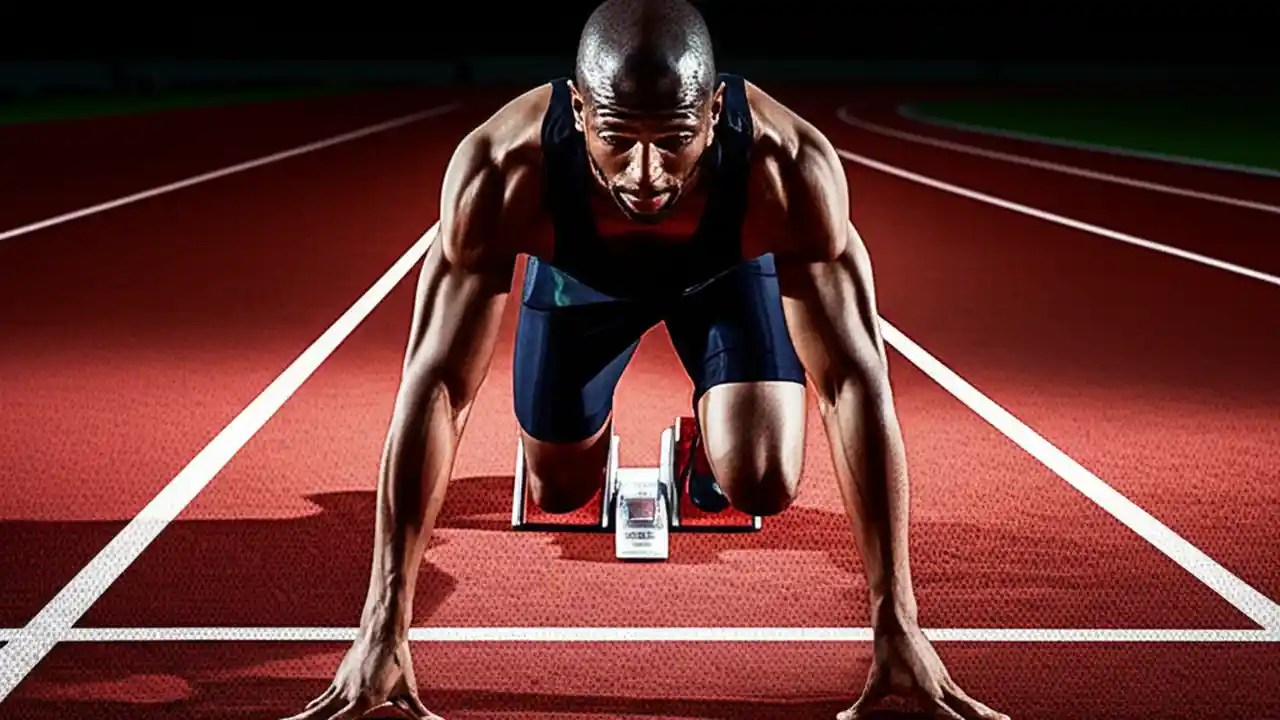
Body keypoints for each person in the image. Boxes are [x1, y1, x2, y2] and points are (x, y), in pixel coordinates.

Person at [283, 1, 1009, 718]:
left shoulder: (787, 171)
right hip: (581, 280)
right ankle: (570, 443)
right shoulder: (500, 172)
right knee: (559, 490)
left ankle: (706, 453)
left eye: (675, 140)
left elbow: (854, 380)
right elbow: (437, 383)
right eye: (618, 139)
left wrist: (897, 622)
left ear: (718, 108)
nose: (646, 173)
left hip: (723, 276)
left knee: (763, 479)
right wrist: (382, 623)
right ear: (575, 108)